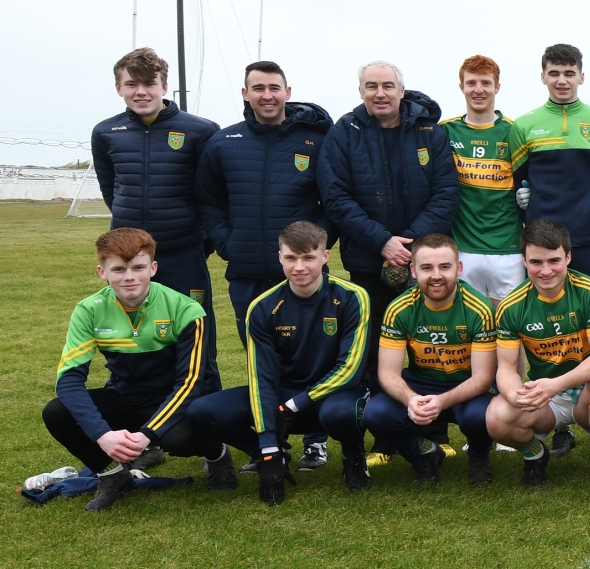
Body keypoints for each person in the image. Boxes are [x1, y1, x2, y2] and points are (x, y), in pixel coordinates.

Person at [196, 60, 336, 473]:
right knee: (261, 359)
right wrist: (227, 243)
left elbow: (333, 197)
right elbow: (209, 200)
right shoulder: (224, 143)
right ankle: (270, 440)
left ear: (288, 92)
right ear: (245, 94)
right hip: (248, 272)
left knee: (315, 357)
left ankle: (316, 440)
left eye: (274, 88)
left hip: (304, 275)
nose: (267, 95)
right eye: (258, 88)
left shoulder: (316, 140)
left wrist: (318, 244)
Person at [46, 227, 227, 510]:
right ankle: (113, 475)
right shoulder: (88, 310)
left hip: (177, 403)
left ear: (153, 268)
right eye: (118, 269)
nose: (129, 277)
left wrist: (148, 434)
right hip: (127, 398)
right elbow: (69, 381)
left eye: (138, 267)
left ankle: (218, 455)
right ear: (101, 272)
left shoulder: (186, 309)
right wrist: (102, 435)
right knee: (57, 412)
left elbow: (190, 382)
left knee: (180, 440)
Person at [188, 221, 371, 503]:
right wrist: (268, 448)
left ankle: (353, 457)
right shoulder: (262, 306)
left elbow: (350, 369)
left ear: (325, 257)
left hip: (333, 394)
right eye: (291, 258)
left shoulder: (352, 297)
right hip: (284, 397)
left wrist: (294, 405)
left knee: (342, 413)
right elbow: (263, 378)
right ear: (280, 258)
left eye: (309, 258)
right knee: (202, 411)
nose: (299, 267)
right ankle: (272, 454)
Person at [485, 220, 590, 496]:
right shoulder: (512, 305)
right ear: (524, 261)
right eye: (536, 261)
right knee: (497, 417)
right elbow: (506, 368)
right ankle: (535, 455)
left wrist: (554, 384)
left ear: (568, 257)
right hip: (545, 397)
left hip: (586, 391)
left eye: (554, 260)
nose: (546, 270)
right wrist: (514, 394)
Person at [92, 48, 221, 345]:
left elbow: (212, 194)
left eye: (149, 83)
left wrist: (199, 240)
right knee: (136, 330)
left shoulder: (201, 130)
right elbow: (111, 189)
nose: (141, 92)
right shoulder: (105, 132)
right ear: (118, 88)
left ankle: (201, 389)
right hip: (129, 253)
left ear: (164, 87)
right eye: (131, 84)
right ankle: (138, 390)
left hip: (184, 251)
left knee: (194, 327)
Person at [318, 60, 458, 331]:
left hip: (425, 262)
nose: (380, 93)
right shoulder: (344, 133)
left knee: (430, 342)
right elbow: (335, 197)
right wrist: (381, 241)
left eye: (388, 86)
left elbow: (446, 193)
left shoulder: (429, 132)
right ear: (361, 92)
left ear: (402, 91)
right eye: (371, 86)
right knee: (372, 346)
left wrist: (410, 245)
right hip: (367, 261)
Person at [361, 233, 497, 486]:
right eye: (427, 268)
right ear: (413, 270)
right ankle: (424, 453)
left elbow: (483, 377)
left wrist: (442, 401)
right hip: (421, 384)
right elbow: (388, 373)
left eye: (445, 267)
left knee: (483, 415)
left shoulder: (480, 308)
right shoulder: (399, 308)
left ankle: (479, 456)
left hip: (466, 386)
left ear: (459, 268)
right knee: (377, 413)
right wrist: (411, 399)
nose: (436, 275)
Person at [510, 44, 590, 292]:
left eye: (569, 73)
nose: (562, 80)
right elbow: (520, 183)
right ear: (543, 77)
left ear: (581, 77)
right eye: (554, 73)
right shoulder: (523, 126)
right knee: (546, 315)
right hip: (543, 240)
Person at [442, 55, 524, 301]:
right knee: (469, 331)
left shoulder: (515, 131)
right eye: (471, 83)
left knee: (510, 331)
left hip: (507, 250)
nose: (479, 90)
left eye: (486, 83)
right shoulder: (445, 131)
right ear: (461, 87)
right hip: (463, 250)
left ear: (497, 86)